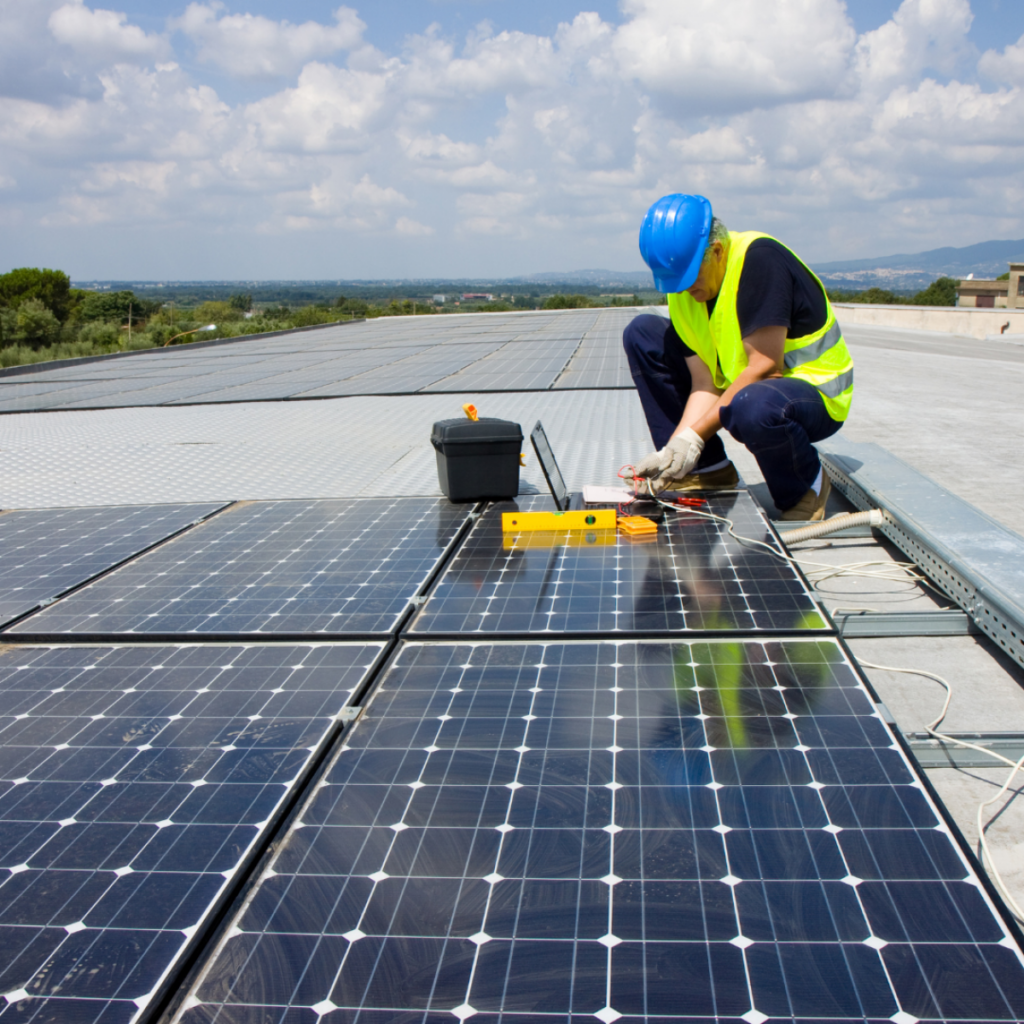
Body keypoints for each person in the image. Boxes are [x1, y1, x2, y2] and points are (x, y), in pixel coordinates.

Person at [624, 194, 854, 521]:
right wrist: (674, 452)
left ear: (716, 251)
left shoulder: (760, 261)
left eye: (690, 278)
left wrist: (693, 437)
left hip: (811, 395)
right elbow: (705, 383)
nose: (684, 289)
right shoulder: (685, 291)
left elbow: (764, 368)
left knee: (752, 405)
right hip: (749, 390)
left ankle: (804, 488)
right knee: (643, 332)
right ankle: (706, 471)